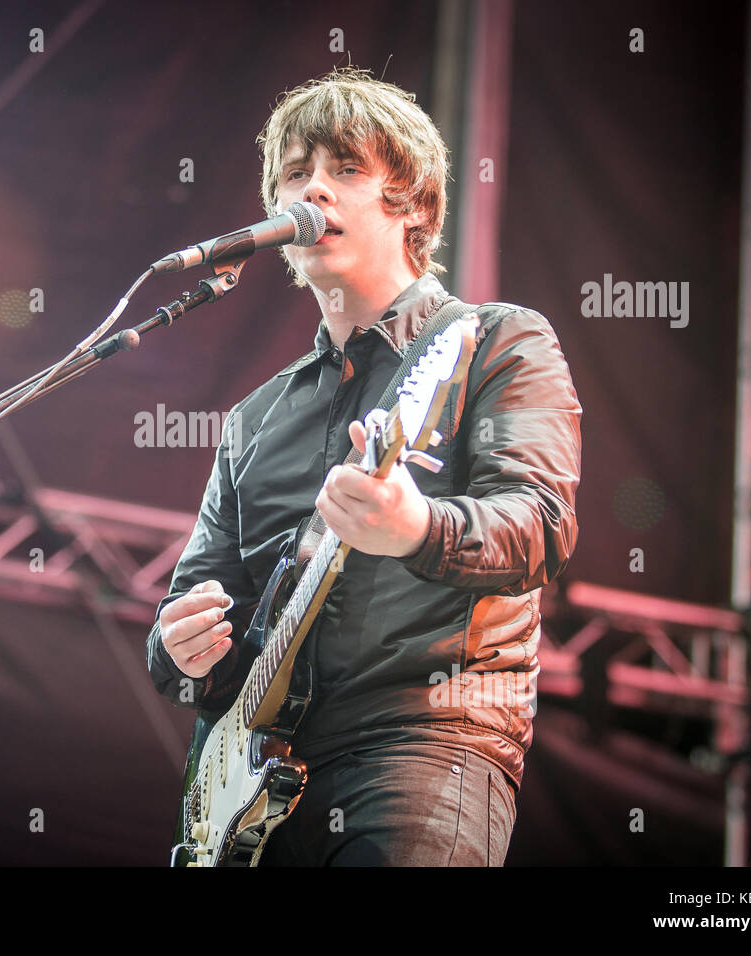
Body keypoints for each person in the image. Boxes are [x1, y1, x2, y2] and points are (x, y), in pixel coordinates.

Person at [145, 67, 582, 866]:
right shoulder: (253, 421)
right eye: (295, 173)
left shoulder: (493, 342)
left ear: (414, 204)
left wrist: (415, 526)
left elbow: (540, 527)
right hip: (251, 783)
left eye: (345, 170)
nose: (314, 191)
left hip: (425, 742)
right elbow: (197, 600)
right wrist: (180, 652)